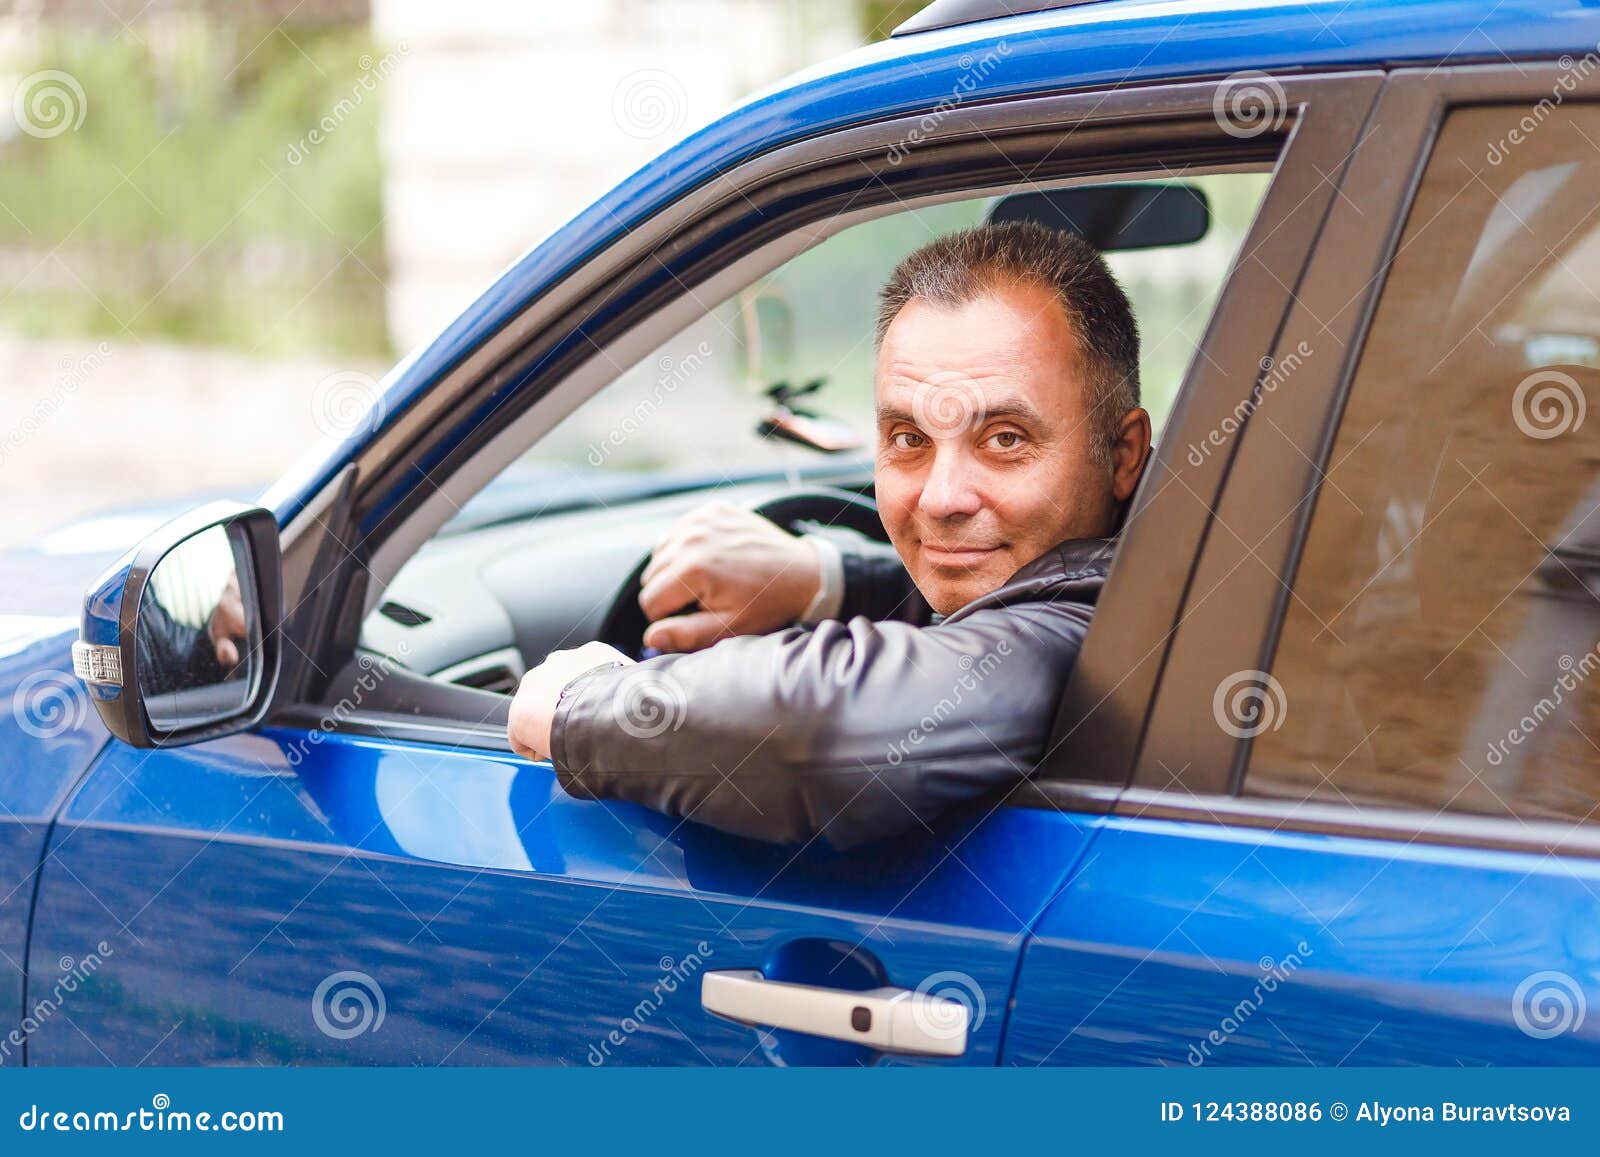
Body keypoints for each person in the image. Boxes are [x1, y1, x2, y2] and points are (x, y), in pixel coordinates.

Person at [507, 220, 1151, 849]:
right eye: (909, 439)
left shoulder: (1090, 628)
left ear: (1123, 455)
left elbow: (823, 736)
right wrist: (829, 582)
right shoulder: (1155, 564)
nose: (941, 497)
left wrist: (584, 705)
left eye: (1005, 440)